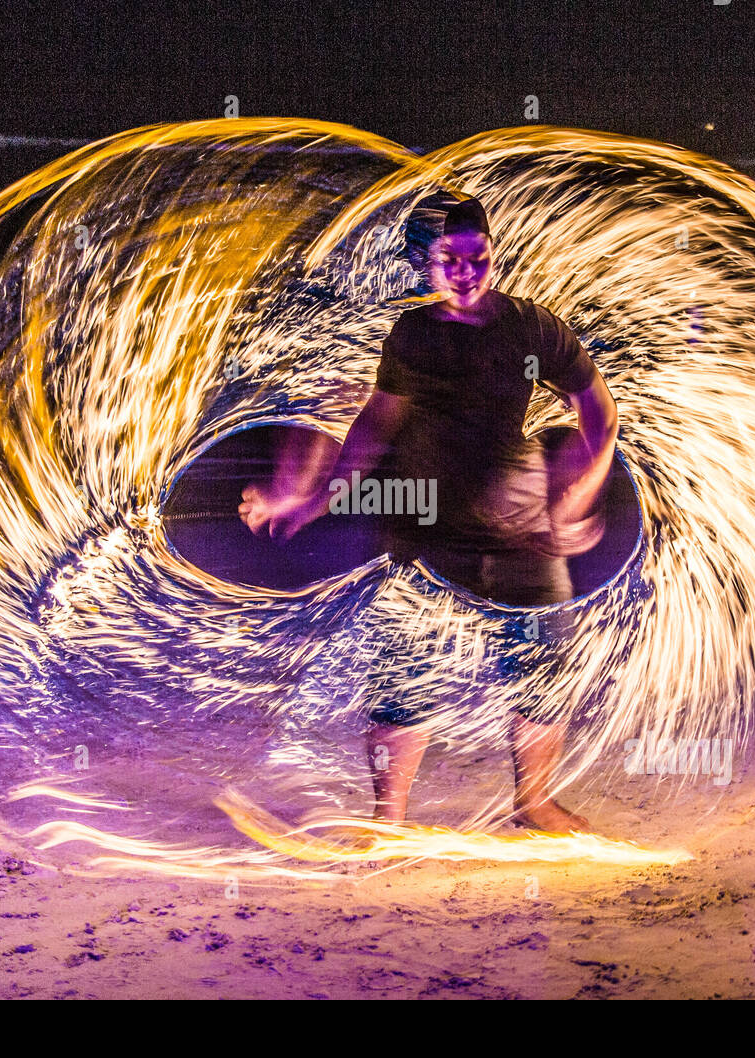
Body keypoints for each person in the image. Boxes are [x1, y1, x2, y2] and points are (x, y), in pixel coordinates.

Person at [239, 194, 618, 832]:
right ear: (424, 264)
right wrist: (315, 500)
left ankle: (534, 802)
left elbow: (598, 414)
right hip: (427, 531)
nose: (466, 272)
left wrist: (573, 499)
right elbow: (373, 430)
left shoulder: (532, 329)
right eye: (449, 260)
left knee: (547, 664)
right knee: (403, 676)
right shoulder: (413, 337)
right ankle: (389, 819)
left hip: (519, 533)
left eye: (478, 256)